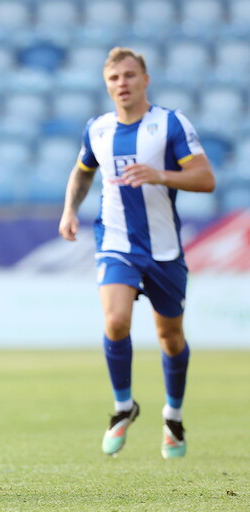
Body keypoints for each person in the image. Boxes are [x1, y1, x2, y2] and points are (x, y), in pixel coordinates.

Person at [58, 47, 215, 459]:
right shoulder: (97, 129)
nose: (122, 83)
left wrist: (161, 174)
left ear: (145, 79)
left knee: (170, 336)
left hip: (164, 250)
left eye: (129, 75)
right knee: (115, 320)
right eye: (114, 78)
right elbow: (83, 169)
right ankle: (123, 407)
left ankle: (173, 417)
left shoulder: (169, 123)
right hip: (116, 242)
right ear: (106, 84)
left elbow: (205, 178)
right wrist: (70, 210)